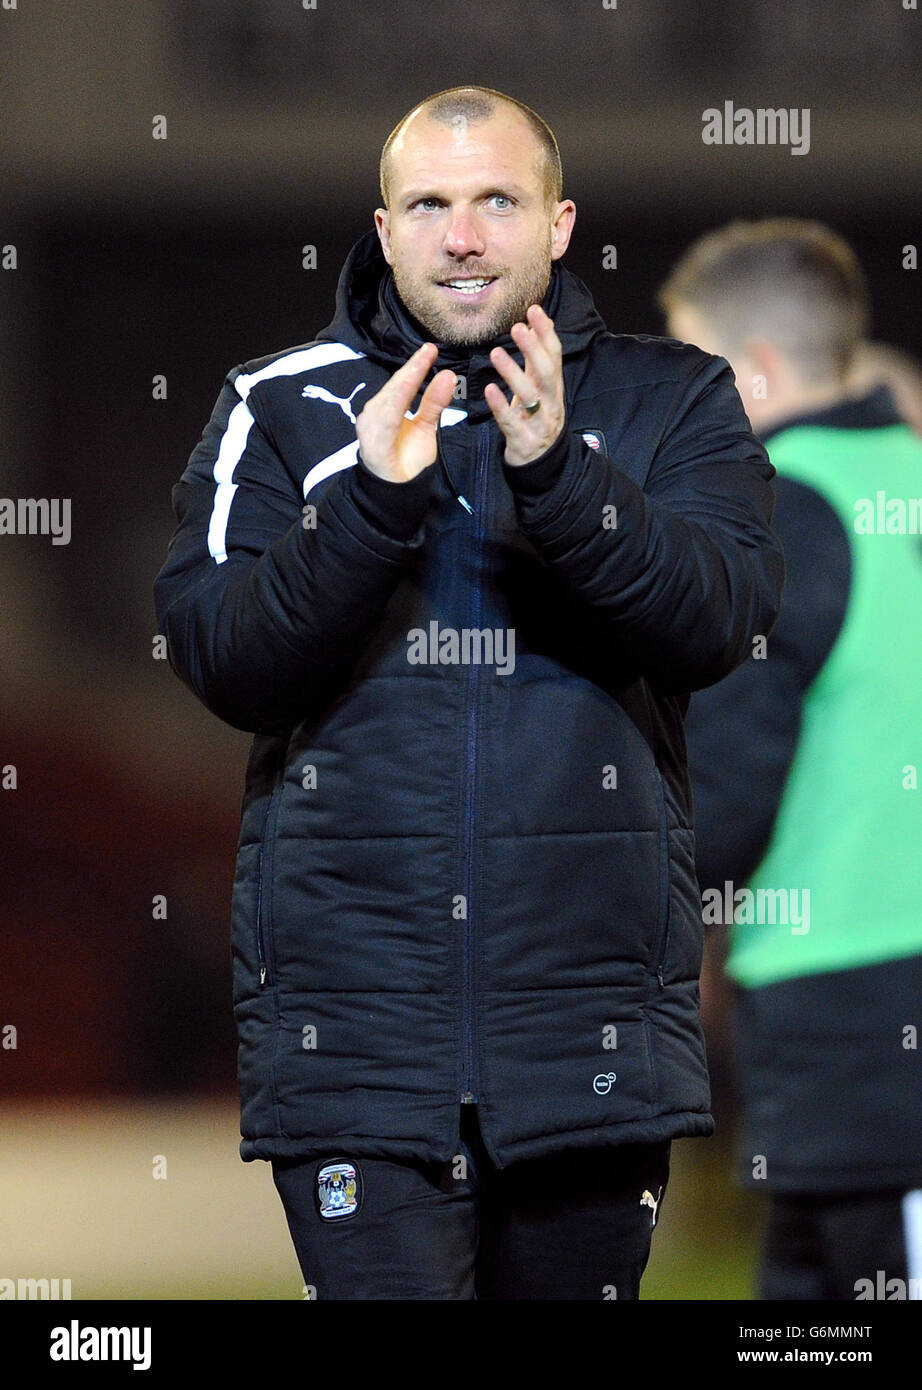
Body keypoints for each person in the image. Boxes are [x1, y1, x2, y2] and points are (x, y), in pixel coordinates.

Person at [153, 86, 783, 1301]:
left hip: (589, 1040)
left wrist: (561, 483)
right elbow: (221, 659)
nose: (462, 234)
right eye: (429, 204)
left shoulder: (675, 399)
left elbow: (720, 623)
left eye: (497, 199)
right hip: (356, 1040)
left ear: (558, 223)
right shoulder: (276, 406)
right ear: (383, 232)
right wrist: (370, 510)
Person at [659, 218, 922, 1301]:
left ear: (755, 370)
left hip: (850, 1001)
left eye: (695, 370)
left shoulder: (782, 509)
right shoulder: (901, 474)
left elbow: (729, 779)